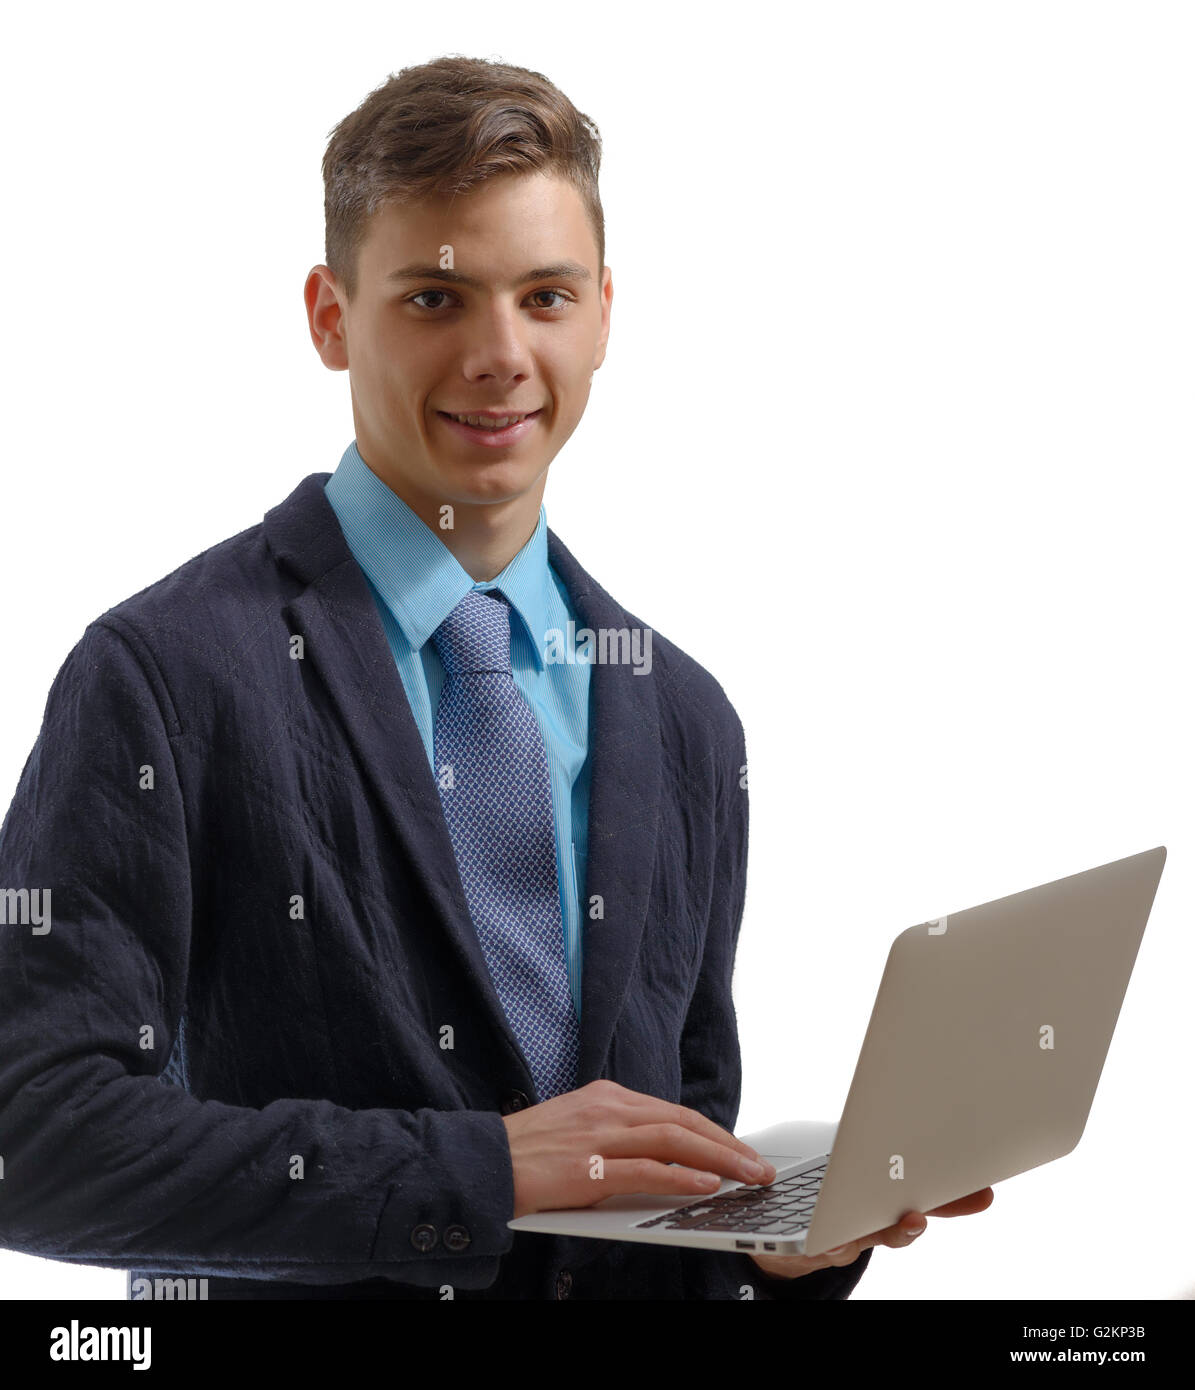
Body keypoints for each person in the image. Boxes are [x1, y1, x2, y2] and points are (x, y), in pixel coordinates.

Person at [0, 55, 991, 1301]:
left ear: (605, 314)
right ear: (328, 315)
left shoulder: (683, 716)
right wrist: (480, 1171)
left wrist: (761, 1241)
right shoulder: (163, 677)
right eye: (433, 299)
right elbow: (33, 1138)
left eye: (546, 295)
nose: (500, 354)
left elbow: (648, 1177)